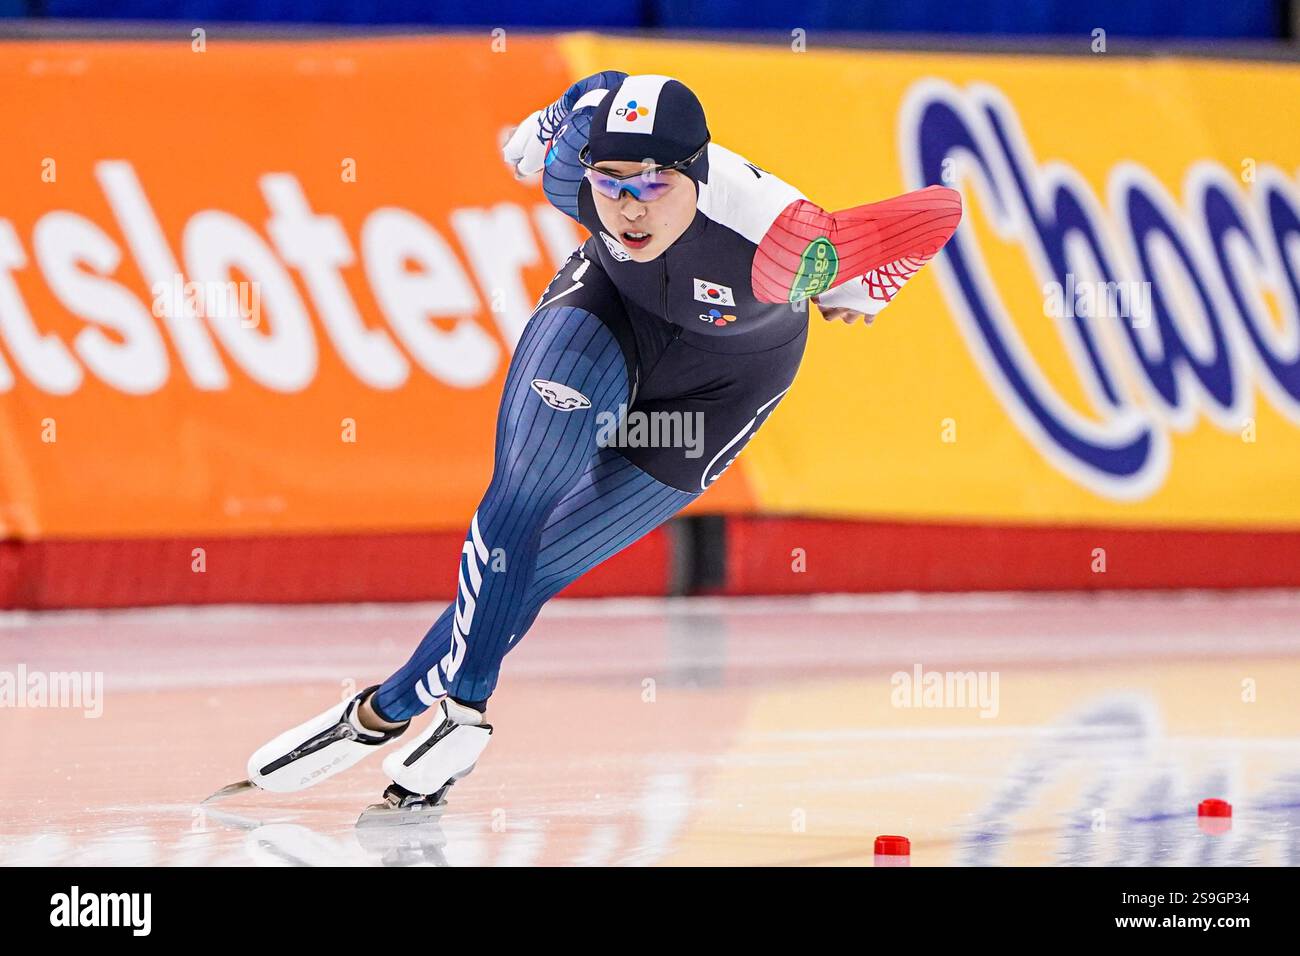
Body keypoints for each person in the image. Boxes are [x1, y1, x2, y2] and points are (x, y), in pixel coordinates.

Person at [232, 72, 962, 816]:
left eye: (654, 186)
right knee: (522, 495)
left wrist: (875, 285)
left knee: (540, 565)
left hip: (720, 390)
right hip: (610, 316)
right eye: (611, 184)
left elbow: (943, 208)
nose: (628, 208)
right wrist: (552, 114)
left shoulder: (785, 245)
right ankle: (460, 715)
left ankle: (382, 711)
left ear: (698, 177)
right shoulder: (562, 170)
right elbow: (605, 90)